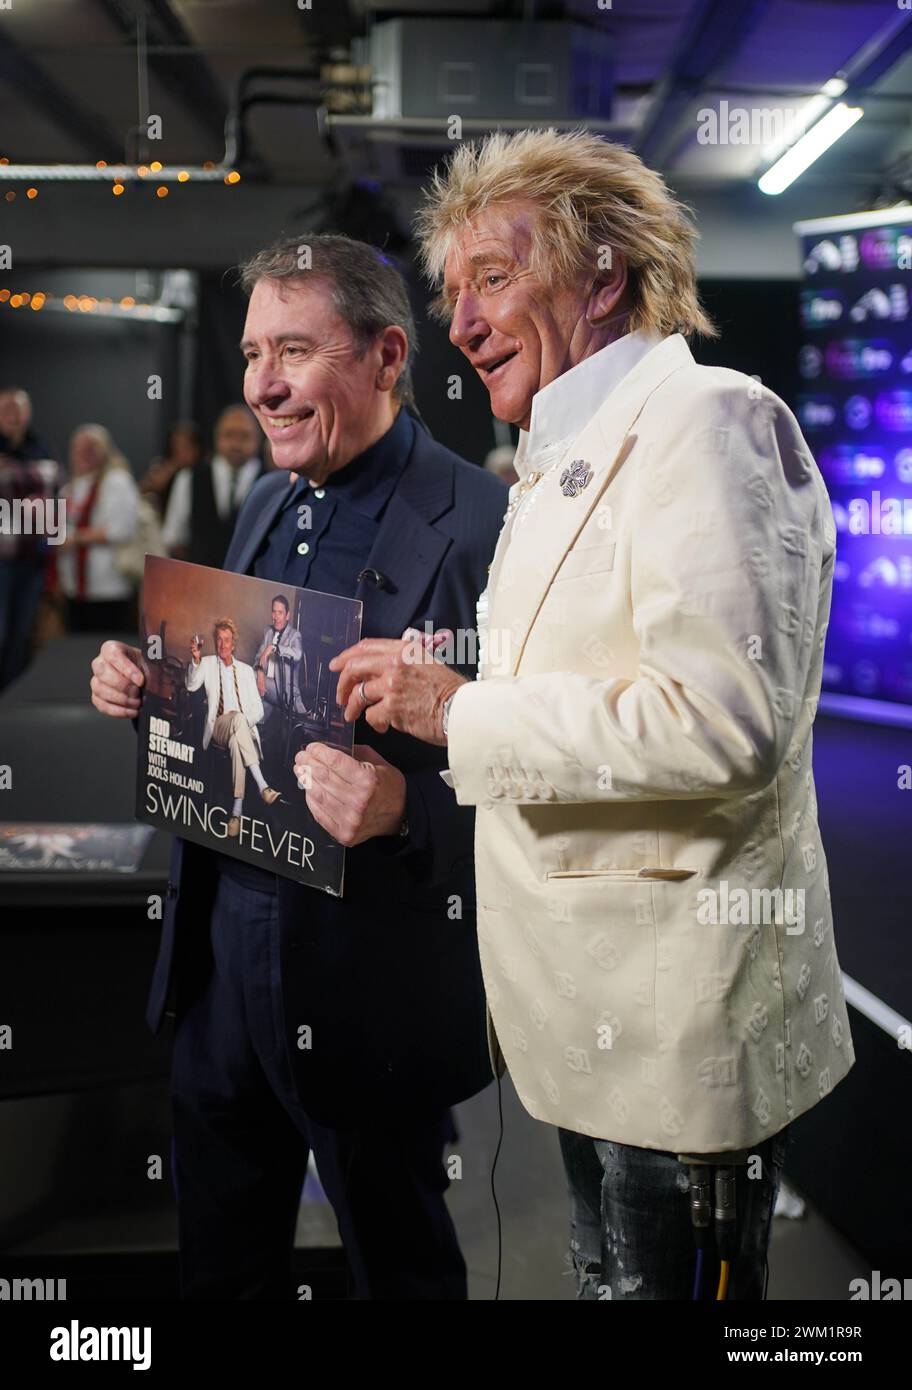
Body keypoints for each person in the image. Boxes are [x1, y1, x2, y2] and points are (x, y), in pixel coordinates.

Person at [329, 128, 856, 1301]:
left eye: (494, 279)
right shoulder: (563, 452)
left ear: (605, 274)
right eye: (452, 291)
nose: (460, 324)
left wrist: (461, 713)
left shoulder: (710, 420)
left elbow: (722, 719)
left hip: (675, 1044)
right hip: (592, 1030)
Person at [89, 232, 507, 1300]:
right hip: (221, 963)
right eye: (249, 352)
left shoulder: (482, 527)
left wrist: (407, 807)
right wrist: (150, 692)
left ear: (385, 356)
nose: (262, 386)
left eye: (293, 351)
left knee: (399, 1270)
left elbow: (545, 783)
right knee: (221, 1263)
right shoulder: (268, 500)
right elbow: (238, 717)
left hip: (370, 980)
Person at [186, 616, 279, 836]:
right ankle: (262, 785)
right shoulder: (207, 663)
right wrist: (196, 660)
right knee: (237, 720)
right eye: (218, 640)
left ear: (233, 643)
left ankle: (236, 813)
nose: (222, 645)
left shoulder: (246, 671)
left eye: (226, 640)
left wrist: (240, 722)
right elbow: (191, 685)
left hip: (239, 729)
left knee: (238, 740)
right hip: (218, 727)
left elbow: (258, 710)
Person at [0, 387, 60, 689]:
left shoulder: (42, 449)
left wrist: (51, 546)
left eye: (19, 408)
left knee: (21, 634)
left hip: (32, 561)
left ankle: (8, 697)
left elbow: (53, 504)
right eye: (7, 407)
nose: (14, 414)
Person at [57, 424, 140, 633]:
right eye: (79, 448)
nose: (84, 454)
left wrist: (76, 538)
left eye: (91, 447)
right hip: (75, 587)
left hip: (110, 588)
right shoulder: (70, 487)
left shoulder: (117, 482)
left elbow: (120, 530)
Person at [162, 405, 262, 566]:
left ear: (258, 439)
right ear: (217, 437)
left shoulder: (276, 484)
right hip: (200, 582)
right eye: (229, 435)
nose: (236, 443)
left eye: (244, 435)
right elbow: (174, 538)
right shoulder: (189, 478)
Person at [255, 592, 305, 720]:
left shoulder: (295, 635)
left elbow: (297, 654)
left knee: (249, 675)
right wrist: (260, 673)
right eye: (274, 612)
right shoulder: (268, 633)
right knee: (257, 722)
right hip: (267, 687)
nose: (275, 617)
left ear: (287, 615)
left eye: (280, 612)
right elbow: (258, 658)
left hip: (284, 692)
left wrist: (274, 648)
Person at [140, 420, 202, 516]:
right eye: (176, 445)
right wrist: (172, 467)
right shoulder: (163, 464)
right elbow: (144, 488)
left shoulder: (203, 471)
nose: (180, 450)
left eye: (185, 445)